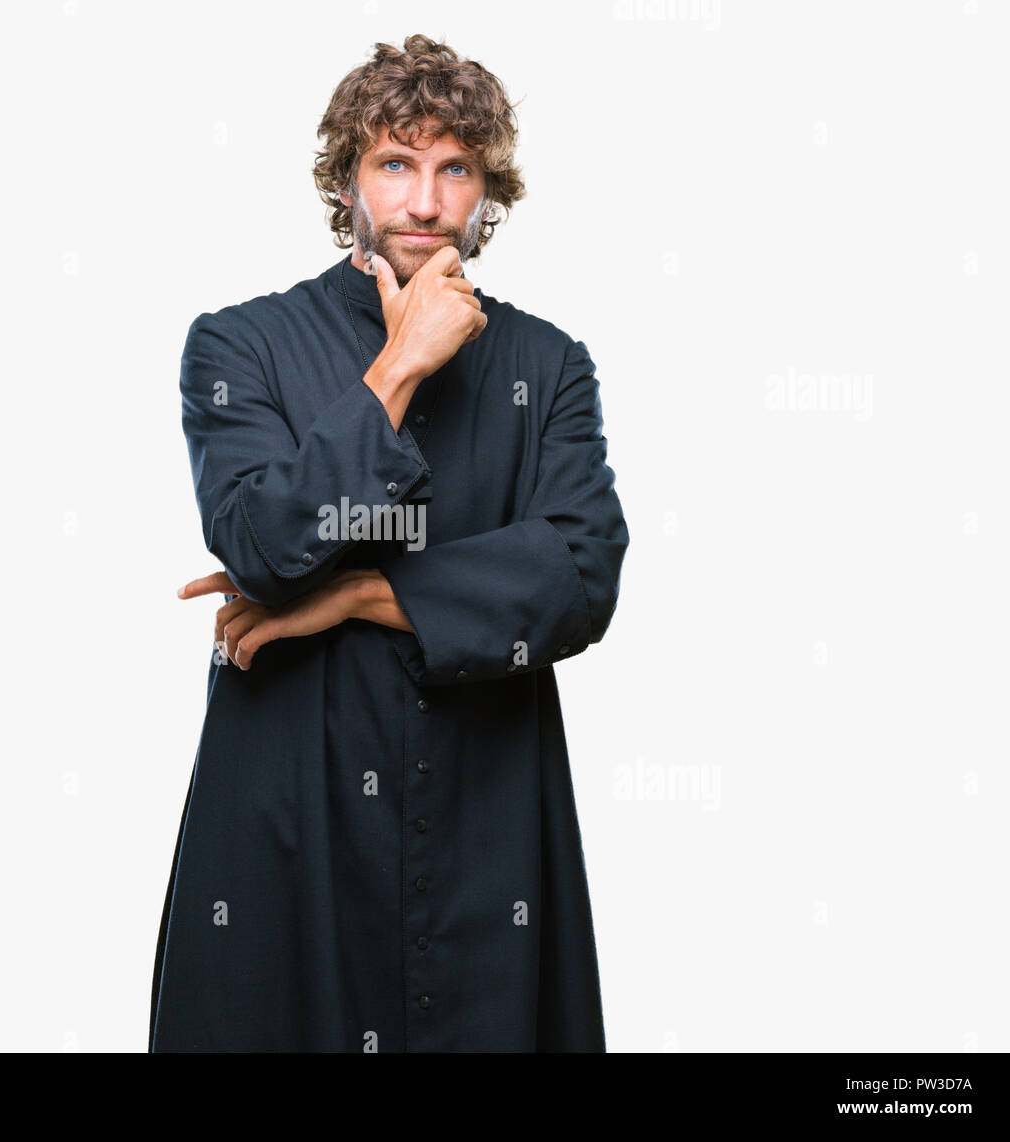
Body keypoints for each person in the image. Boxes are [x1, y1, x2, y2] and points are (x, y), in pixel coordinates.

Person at [148, 33, 629, 1052]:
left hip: (486, 807)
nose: (424, 201)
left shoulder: (547, 364)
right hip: (293, 802)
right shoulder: (239, 344)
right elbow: (259, 541)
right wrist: (398, 368)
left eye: (454, 167)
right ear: (348, 182)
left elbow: (580, 575)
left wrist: (354, 595)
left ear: (486, 190)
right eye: (395, 164)